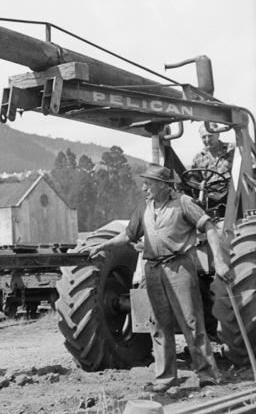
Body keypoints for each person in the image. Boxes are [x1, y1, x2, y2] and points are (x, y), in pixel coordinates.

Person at [88, 164, 232, 392]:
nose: (144, 188)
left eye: (149, 183)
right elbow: (128, 235)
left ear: (164, 186)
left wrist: (221, 261)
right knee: (158, 325)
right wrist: (105, 245)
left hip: (179, 267)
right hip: (153, 269)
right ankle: (166, 378)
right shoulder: (144, 207)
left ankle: (208, 375)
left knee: (191, 322)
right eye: (144, 183)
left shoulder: (183, 203)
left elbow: (210, 228)